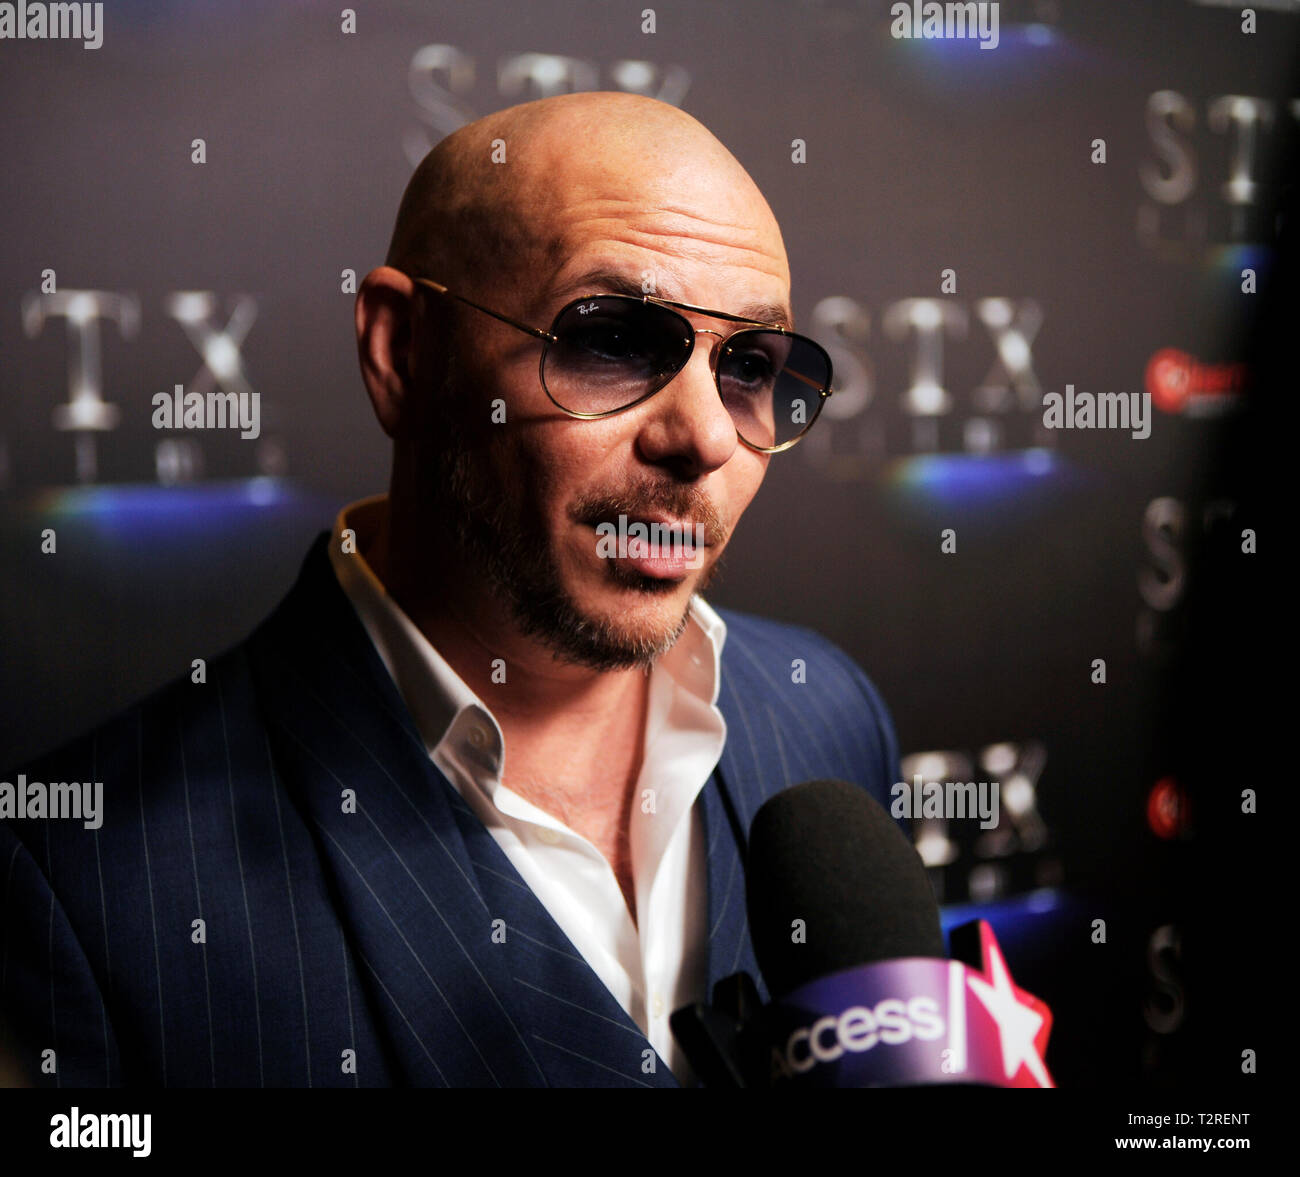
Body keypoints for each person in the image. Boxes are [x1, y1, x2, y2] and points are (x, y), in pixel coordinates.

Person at [0, 92, 901, 1088]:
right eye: (611, 340)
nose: (703, 438)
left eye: (751, 366)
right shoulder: (83, 884)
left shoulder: (826, 713)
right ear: (404, 353)